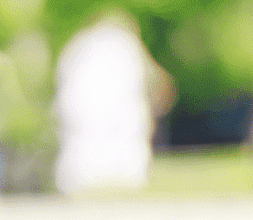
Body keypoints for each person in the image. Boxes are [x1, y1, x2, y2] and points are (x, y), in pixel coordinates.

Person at [53, 11, 174, 194]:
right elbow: (161, 85)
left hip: (83, 159)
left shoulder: (79, 48)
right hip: (115, 153)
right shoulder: (125, 47)